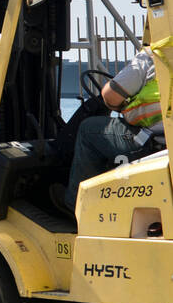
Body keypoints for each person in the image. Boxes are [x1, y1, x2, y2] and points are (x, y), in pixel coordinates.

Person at [52, 44, 165, 219]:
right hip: (165, 144)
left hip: (153, 142)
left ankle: (75, 204)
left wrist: (119, 106)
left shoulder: (154, 56)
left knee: (88, 130)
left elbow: (111, 96)